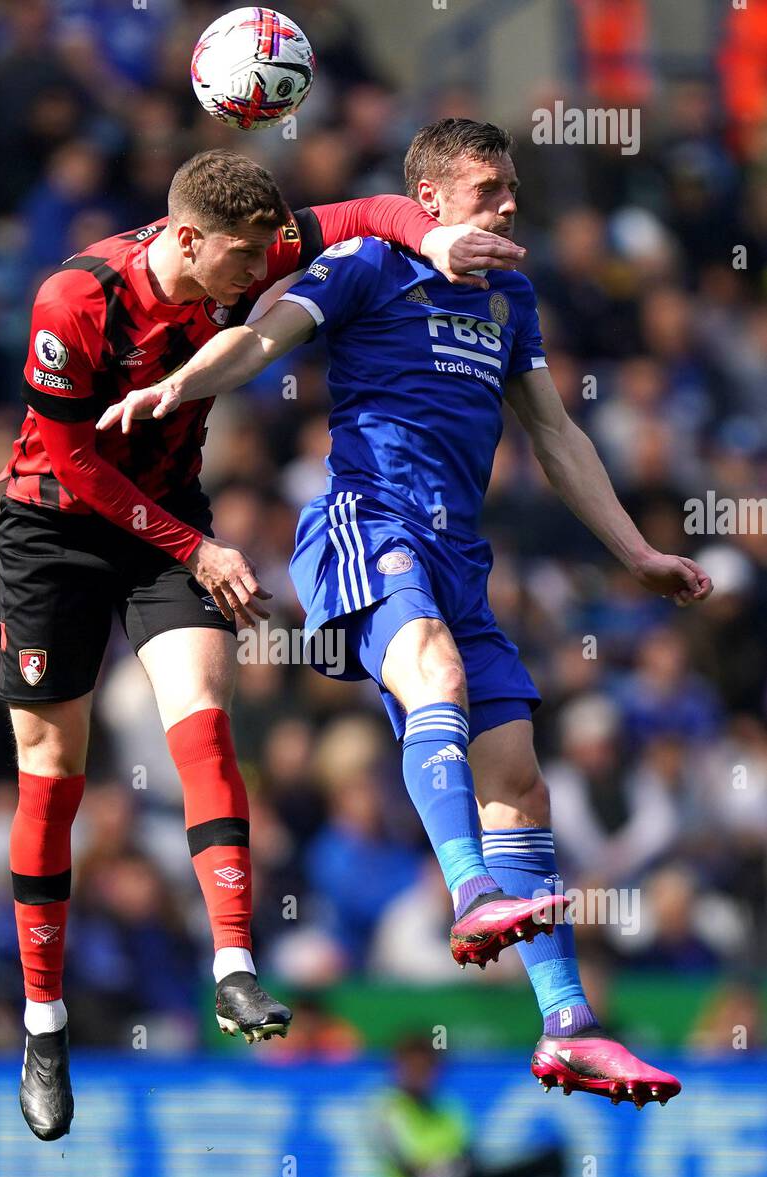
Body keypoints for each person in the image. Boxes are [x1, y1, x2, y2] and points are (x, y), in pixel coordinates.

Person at [99, 120, 714, 1107]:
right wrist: (178, 384)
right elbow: (262, 337)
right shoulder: (363, 263)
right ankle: (471, 892)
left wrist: (634, 552)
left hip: (458, 558)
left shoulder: (508, 295)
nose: (508, 202)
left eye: (512, 186)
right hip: (364, 523)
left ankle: (565, 1024)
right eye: (487, 187)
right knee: (433, 671)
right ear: (426, 198)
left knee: (517, 779)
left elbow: (553, 433)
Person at [0, 146, 526, 1140]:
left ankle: (233, 964)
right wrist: (197, 548)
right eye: (243, 263)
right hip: (55, 527)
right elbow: (69, 460)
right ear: (185, 241)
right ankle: (43, 1020)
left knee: (202, 718)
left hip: (169, 515)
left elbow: (370, 208)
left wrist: (435, 233)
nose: (259, 278)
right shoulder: (72, 302)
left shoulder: (251, 247)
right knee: (50, 768)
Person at [371, 1036, 567, 1177]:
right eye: (413, 1068)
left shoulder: (448, 1108)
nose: (420, 1075)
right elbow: (411, 1169)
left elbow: (468, 1155)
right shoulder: (388, 1109)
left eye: (426, 1068)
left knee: (547, 1160)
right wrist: (451, 1166)